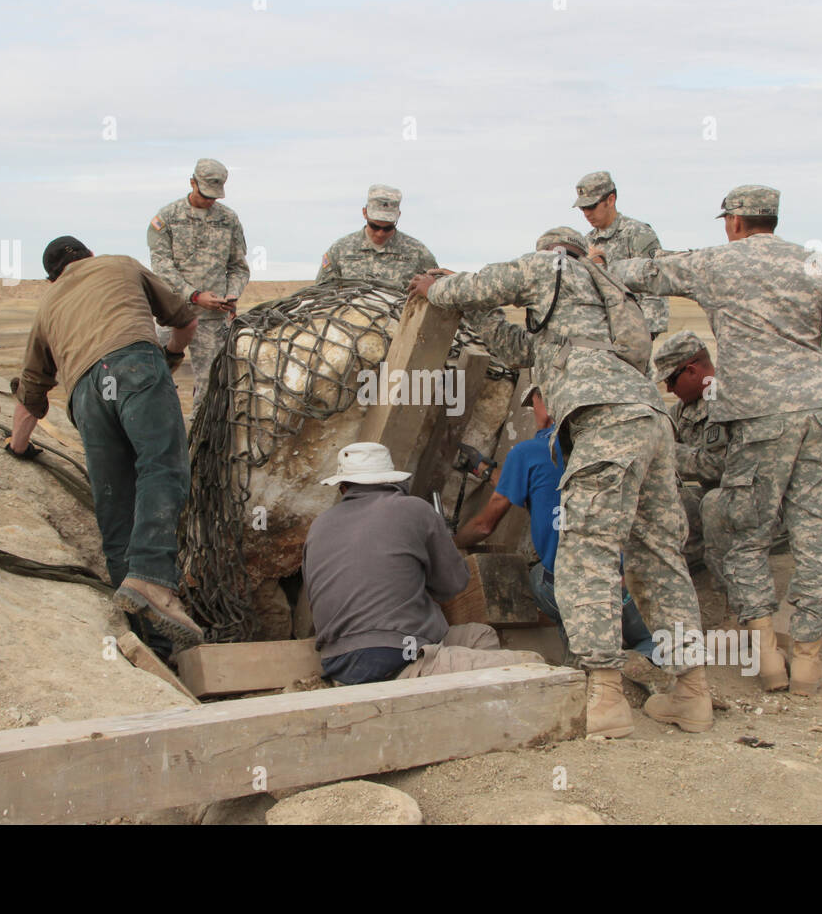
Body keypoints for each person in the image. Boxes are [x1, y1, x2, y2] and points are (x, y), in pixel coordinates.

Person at [411, 226, 713, 739]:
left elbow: (476, 286)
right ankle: (693, 694)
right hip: (650, 421)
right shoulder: (607, 294)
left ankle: (606, 697)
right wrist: (481, 316)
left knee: (586, 552)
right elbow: (517, 347)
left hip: (605, 420)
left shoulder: (549, 268)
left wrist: (437, 287)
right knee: (658, 557)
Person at [614, 186, 822, 696]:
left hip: (759, 417)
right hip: (819, 412)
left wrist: (601, 259)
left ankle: (765, 652)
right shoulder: (814, 263)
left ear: (734, 222)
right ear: (772, 219)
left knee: (743, 530)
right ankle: (808, 660)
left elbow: (647, 273)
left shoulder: (717, 263)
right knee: (813, 532)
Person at [7, 237, 204, 648]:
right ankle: (152, 577)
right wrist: (170, 355)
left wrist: (18, 448)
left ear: (52, 279)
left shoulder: (47, 308)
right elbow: (184, 321)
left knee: (114, 507)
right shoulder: (119, 264)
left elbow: (31, 395)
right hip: (133, 364)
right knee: (162, 464)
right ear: (90, 256)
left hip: (85, 396)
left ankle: (153, 644)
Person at [302, 442, 543, 685]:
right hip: (397, 659)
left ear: (343, 488)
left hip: (338, 664)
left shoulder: (318, 526)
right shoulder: (414, 509)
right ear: (393, 481)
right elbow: (454, 584)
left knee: (481, 635)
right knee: (532, 666)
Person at [452, 383, 655, 655]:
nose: (533, 414)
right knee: (647, 643)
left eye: (533, 405)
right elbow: (545, 493)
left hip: (574, 587)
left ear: (547, 405)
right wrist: (486, 471)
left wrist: (453, 543)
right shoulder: (603, 446)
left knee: (540, 577)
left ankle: (581, 655)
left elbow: (484, 525)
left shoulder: (526, 453)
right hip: (617, 582)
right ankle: (650, 661)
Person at [146, 158, 249, 410]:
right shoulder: (167, 218)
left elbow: (238, 267)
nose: (210, 201)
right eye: (205, 195)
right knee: (152, 381)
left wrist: (232, 296)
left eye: (215, 197)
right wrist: (193, 296)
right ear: (192, 183)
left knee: (211, 389)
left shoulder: (229, 220)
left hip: (212, 321)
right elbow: (161, 267)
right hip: (170, 315)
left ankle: (199, 444)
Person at [650, 331, 735, 616]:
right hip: (714, 494)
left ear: (692, 370)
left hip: (749, 495)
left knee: (713, 505)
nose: (669, 389)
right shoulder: (686, 409)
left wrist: (665, 451)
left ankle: (736, 607)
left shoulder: (729, 399)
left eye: (671, 380)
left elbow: (722, 466)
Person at [575, 171, 668, 339]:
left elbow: (656, 291)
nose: (586, 213)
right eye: (582, 208)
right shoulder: (585, 243)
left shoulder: (638, 235)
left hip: (630, 341)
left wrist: (638, 338)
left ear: (610, 200)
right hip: (596, 341)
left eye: (591, 206)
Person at [315, 185, 438, 292]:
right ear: (364, 213)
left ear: (398, 216)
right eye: (374, 226)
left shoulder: (418, 252)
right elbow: (321, 293)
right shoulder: (340, 250)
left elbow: (436, 292)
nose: (380, 233)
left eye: (388, 228)